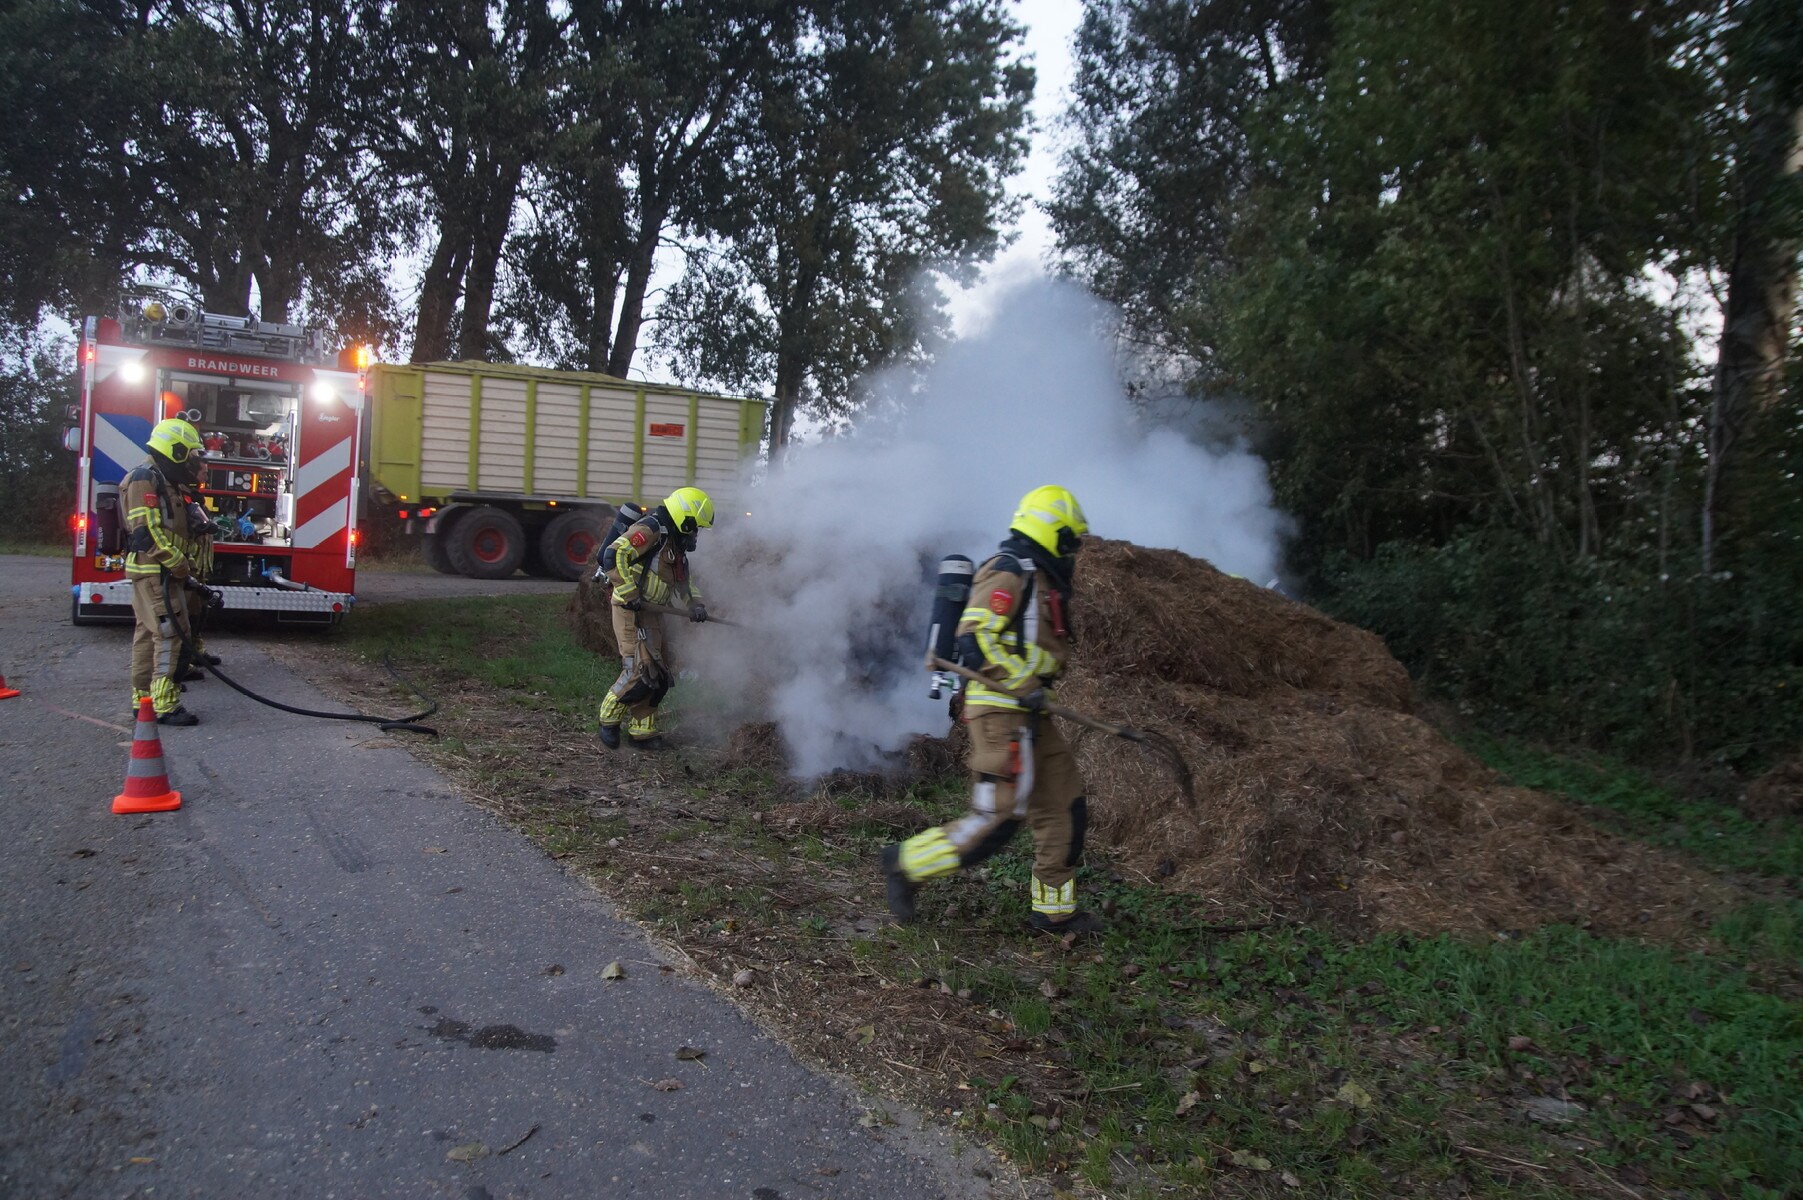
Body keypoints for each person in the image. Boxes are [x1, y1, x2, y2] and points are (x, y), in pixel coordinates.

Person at [881, 485, 1103, 936]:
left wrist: (1035, 689)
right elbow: (975, 636)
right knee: (996, 819)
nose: (1073, 552)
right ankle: (905, 863)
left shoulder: (1040, 578)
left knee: (1065, 806)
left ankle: (1055, 912)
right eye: (1069, 540)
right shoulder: (1009, 569)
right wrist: (1024, 684)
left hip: (1031, 711)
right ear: (1051, 532)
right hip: (1001, 712)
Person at [596, 487, 713, 748]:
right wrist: (629, 593)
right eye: (696, 528)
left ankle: (642, 732)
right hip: (629, 610)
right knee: (637, 670)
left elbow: (683, 581)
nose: (696, 534)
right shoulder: (651, 530)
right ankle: (608, 720)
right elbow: (615, 554)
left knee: (656, 674)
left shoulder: (675, 542)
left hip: (652, 613)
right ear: (685, 519)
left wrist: (695, 604)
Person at [123, 418, 203, 725]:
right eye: (191, 454)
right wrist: (178, 563)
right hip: (158, 571)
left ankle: (143, 699)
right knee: (171, 635)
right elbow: (146, 532)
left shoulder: (164, 480)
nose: (194, 461)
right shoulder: (144, 479)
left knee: (148, 634)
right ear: (176, 450)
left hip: (159, 570)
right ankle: (164, 704)